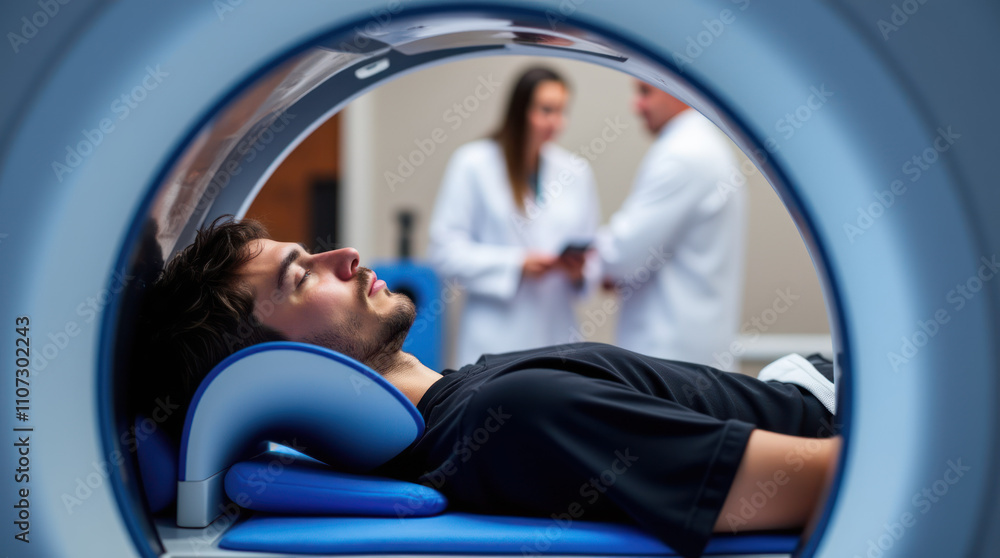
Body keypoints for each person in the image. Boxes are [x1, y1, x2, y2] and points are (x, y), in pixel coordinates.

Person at [138, 217, 842, 558]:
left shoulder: (468, 397)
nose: (345, 255)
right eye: (302, 276)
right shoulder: (516, 415)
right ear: (270, 370)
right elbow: (833, 479)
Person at [427, 66, 600, 367]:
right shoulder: (473, 164)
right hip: (494, 338)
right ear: (519, 110)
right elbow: (444, 254)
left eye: (562, 111)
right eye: (546, 110)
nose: (556, 122)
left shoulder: (576, 172)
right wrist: (516, 264)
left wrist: (578, 271)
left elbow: (594, 254)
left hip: (557, 335)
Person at [596, 81, 747, 370]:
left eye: (645, 92)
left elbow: (621, 256)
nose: (636, 105)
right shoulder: (705, 144)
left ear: (675, 87)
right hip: (690, 353)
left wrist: (589, 261)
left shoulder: (682, 153)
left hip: (668, 356)